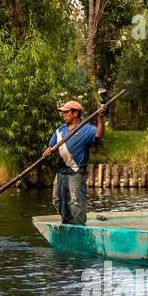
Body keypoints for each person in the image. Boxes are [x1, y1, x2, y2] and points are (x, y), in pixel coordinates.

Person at [43, 96, 105, 226]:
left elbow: (98, 135)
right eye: (63, 112)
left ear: (75, 113)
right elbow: (51, 146)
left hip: (75, 172)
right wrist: (47, 151)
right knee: (57, 199)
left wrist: (100, 118)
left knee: (76, 201)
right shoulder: (60, 130)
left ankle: (79, 226)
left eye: (66, 112)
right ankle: (68, 221)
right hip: (61, 171)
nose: (63, 115)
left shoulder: (86, 129)